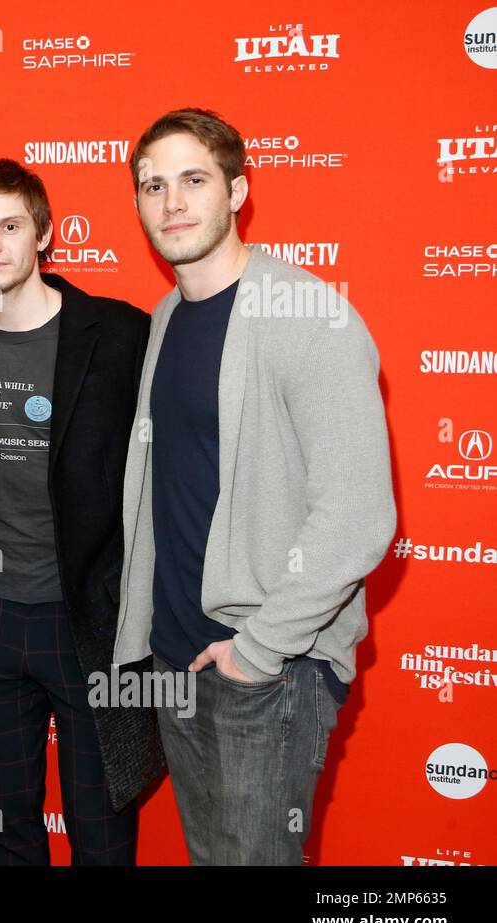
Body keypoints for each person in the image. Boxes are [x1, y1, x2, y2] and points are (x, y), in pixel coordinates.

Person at [114, 108, 395, 865]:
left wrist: (260, 649)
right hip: (177, 660)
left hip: (268, 669)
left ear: (237, 190)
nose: (171, 203)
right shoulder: (167, 315)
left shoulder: (309, 317)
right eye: (153, 186)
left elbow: (358, 514)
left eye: (194, 180)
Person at [0, 159, 161, 865]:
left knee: (101, 835)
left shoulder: (120, 333)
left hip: (88, 621)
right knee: (9, 829)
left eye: (8, 226)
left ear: (45, 234)